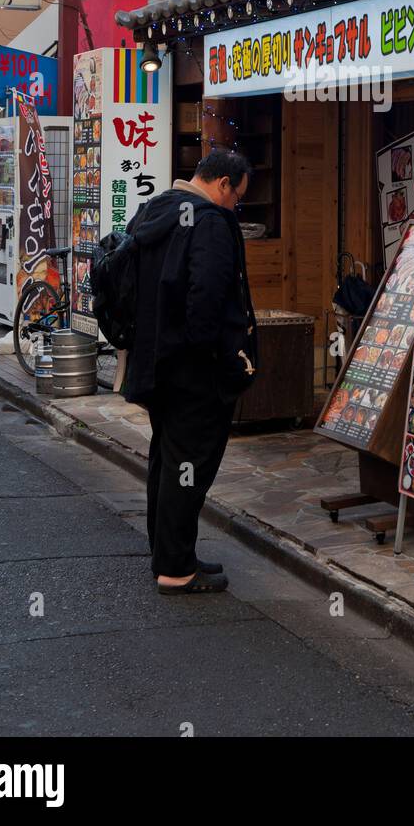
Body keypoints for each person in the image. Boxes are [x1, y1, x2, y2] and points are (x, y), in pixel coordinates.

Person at [124, 149, 257, 593]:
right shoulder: (211, 224)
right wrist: (219, 361)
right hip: (192, 373)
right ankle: (176, 570)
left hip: (154, 364)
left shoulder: (155, 209)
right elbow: (207, 298)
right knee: (189, 464)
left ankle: (169, 554)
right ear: (223, 184)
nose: (235, 205)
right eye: (236, 196)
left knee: (167, 459)